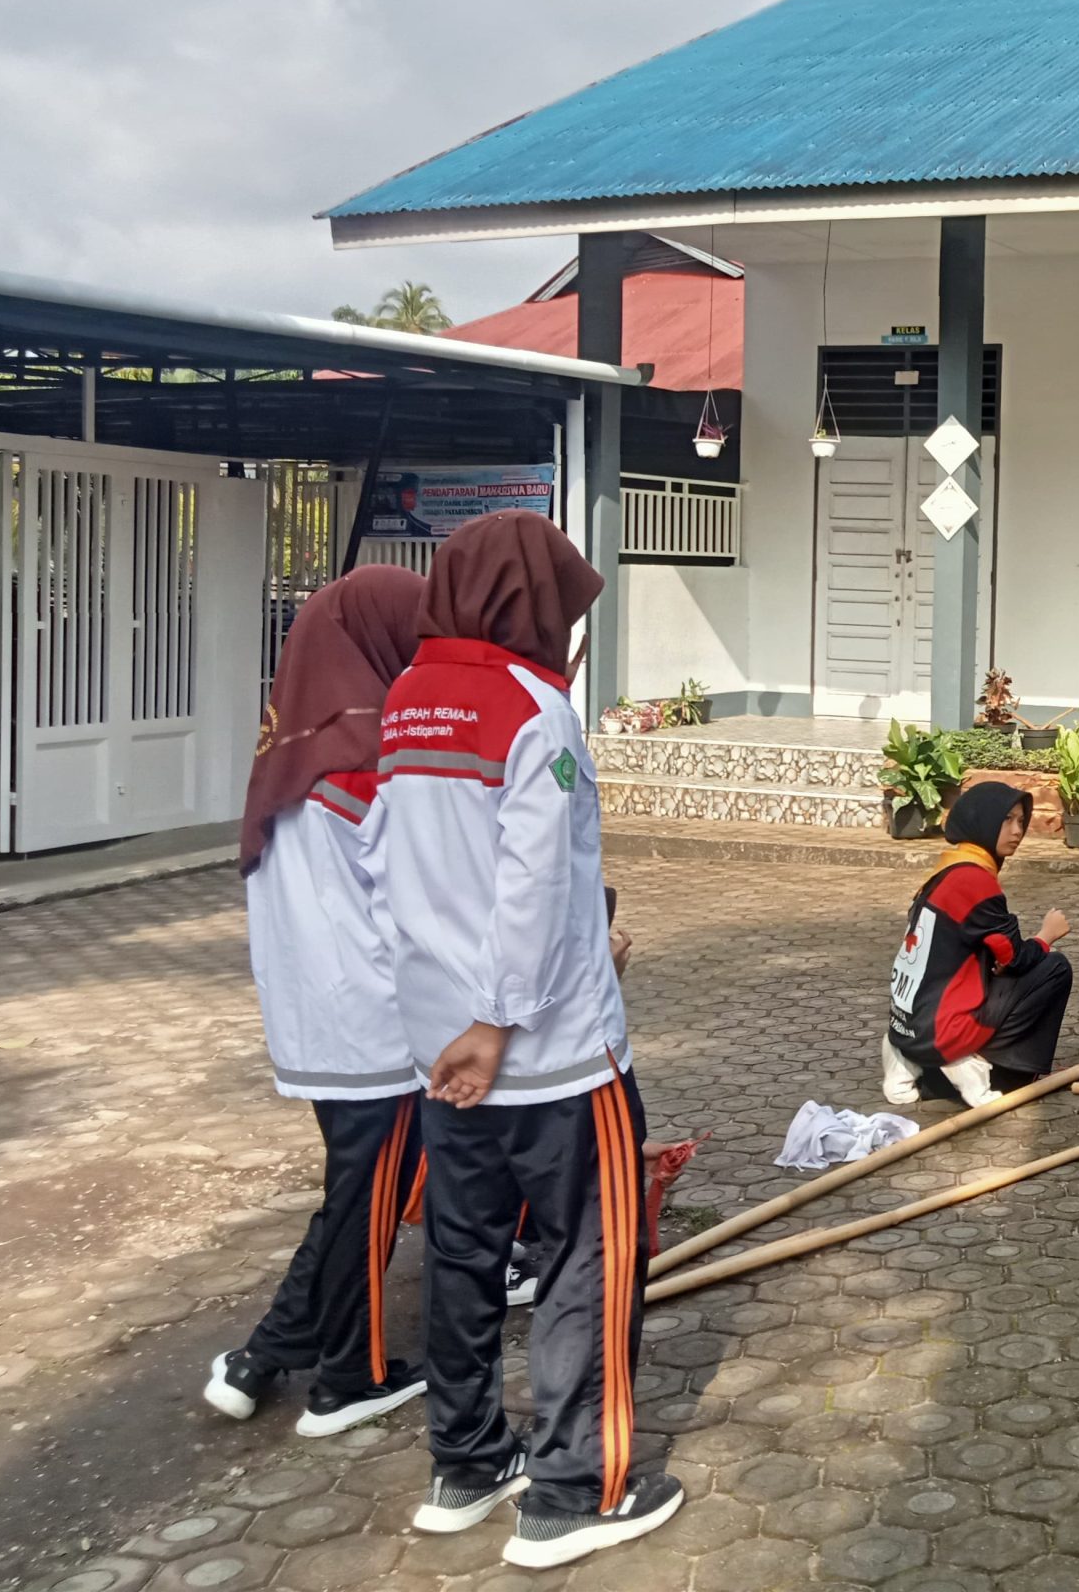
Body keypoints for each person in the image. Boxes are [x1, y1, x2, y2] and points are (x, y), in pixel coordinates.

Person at [368, 512, 681, 1568]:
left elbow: (390, 872)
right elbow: (535, 881)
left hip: (441, 1058)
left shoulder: (407, 701)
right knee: (589, 1259)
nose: (573, 634)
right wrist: (501, 1018)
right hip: (547, 1056)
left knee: (459, 1257)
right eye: (567, 612)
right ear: (533, 607)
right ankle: (575, 1488)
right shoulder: (534, 708)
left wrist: (444, 1022)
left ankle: (465, 1463)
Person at [206, 567, 433, 1437]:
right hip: (374, 1020)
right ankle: (349, 1376)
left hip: (314, 1012)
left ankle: (264, 1353)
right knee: (366, 1198)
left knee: (356, 1189)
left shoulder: (288, 753)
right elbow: (415, 893)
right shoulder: (372, 759)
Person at [882, 782, 1074, 1105]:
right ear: (982, 821)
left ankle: (929, 1066)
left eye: (1021, 821)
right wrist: (1046, 935)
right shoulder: (976, 881)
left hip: (906, 1029)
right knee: (1054, 967)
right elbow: (1016, 957)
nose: (1017, 831)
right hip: (939, 1031)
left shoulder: (947, 870)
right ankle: (1011, 1073)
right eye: (1007, 820)